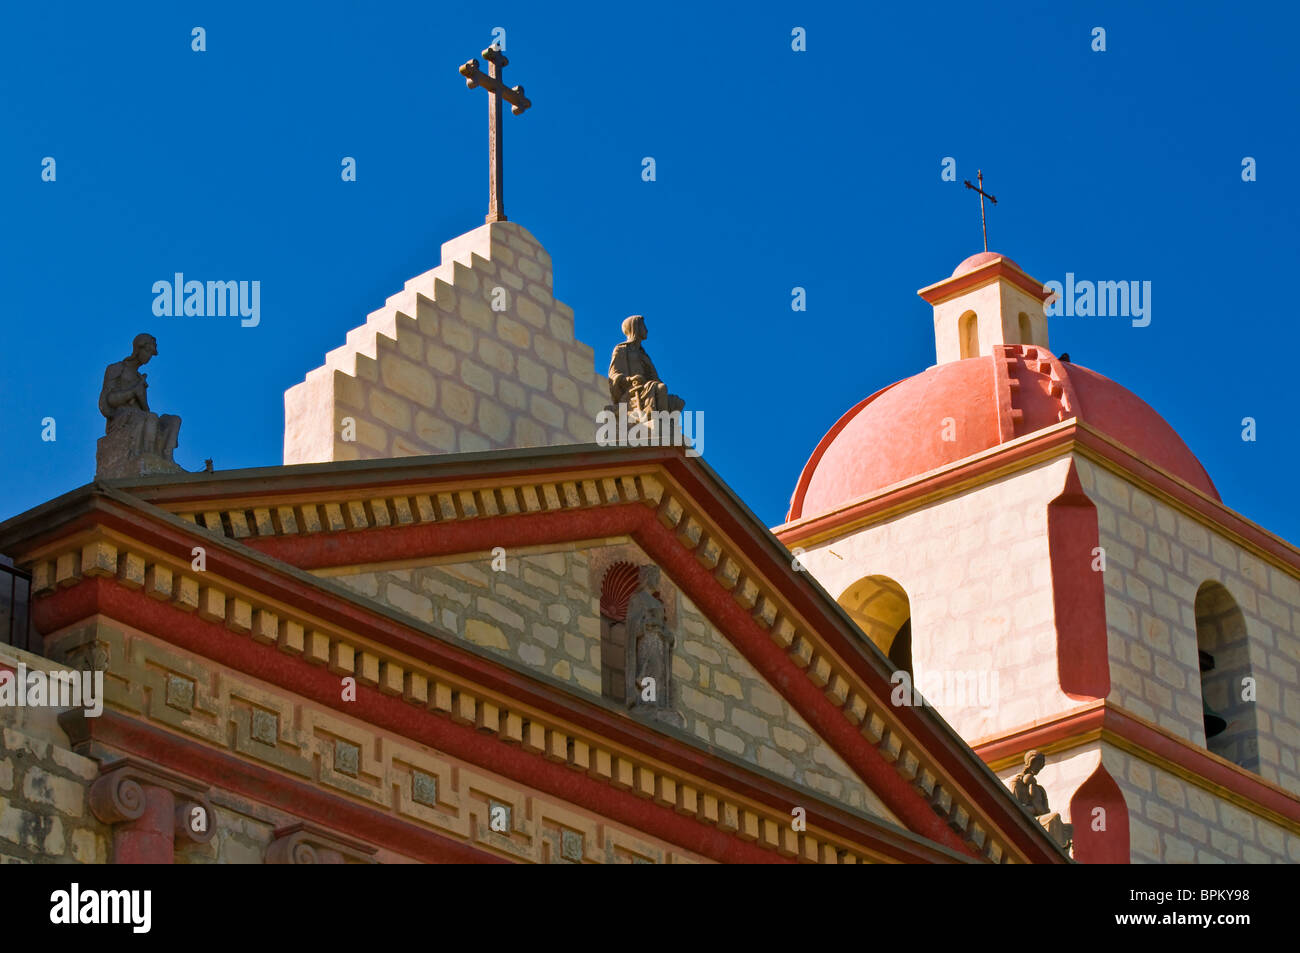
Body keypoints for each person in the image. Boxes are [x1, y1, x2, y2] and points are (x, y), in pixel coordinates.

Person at [99, 333, 181, 459]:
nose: (149, 356)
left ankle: (166, 457)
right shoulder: (116, 368)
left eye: (151, 353)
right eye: (147, 351)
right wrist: (132, 392)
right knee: (151, 418)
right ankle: (147, 456)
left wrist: (141, 395)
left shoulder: (139, 378)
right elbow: (108, 401)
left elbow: (145, 409)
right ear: (138, 349)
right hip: (122, 416)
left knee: (174, 420)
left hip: (140, 415)